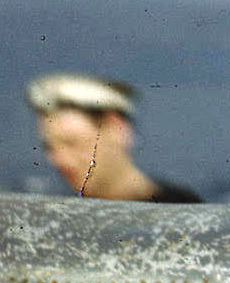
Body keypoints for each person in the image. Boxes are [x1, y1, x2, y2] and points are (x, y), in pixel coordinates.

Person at [25, 72, 201, 202]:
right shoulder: (64, 218)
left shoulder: (182, 208)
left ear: (117, 127)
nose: (59, 159)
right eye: (49, 147)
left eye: (72, 143)